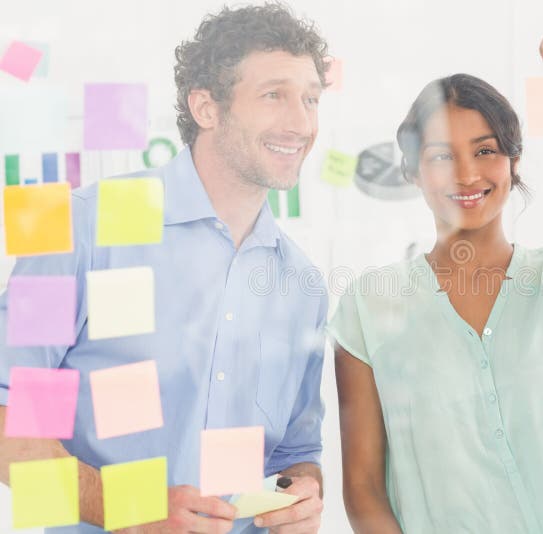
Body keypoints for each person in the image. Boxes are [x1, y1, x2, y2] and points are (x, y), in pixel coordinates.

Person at [0, 4, 329, 533]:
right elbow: (10, 426)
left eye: (311, 99)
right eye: (274, 95)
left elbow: (296, 450)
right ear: (206, 107)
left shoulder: (302, 285)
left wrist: (303, 492)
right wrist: (128, 507)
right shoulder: (81, 228)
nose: (301, 123)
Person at [331, 29, 543, 533]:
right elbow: (363, 489)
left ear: (514, 161)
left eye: (486, 150)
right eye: (441, 156)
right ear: (414, 172)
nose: (467, 174)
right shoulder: (369, 306)